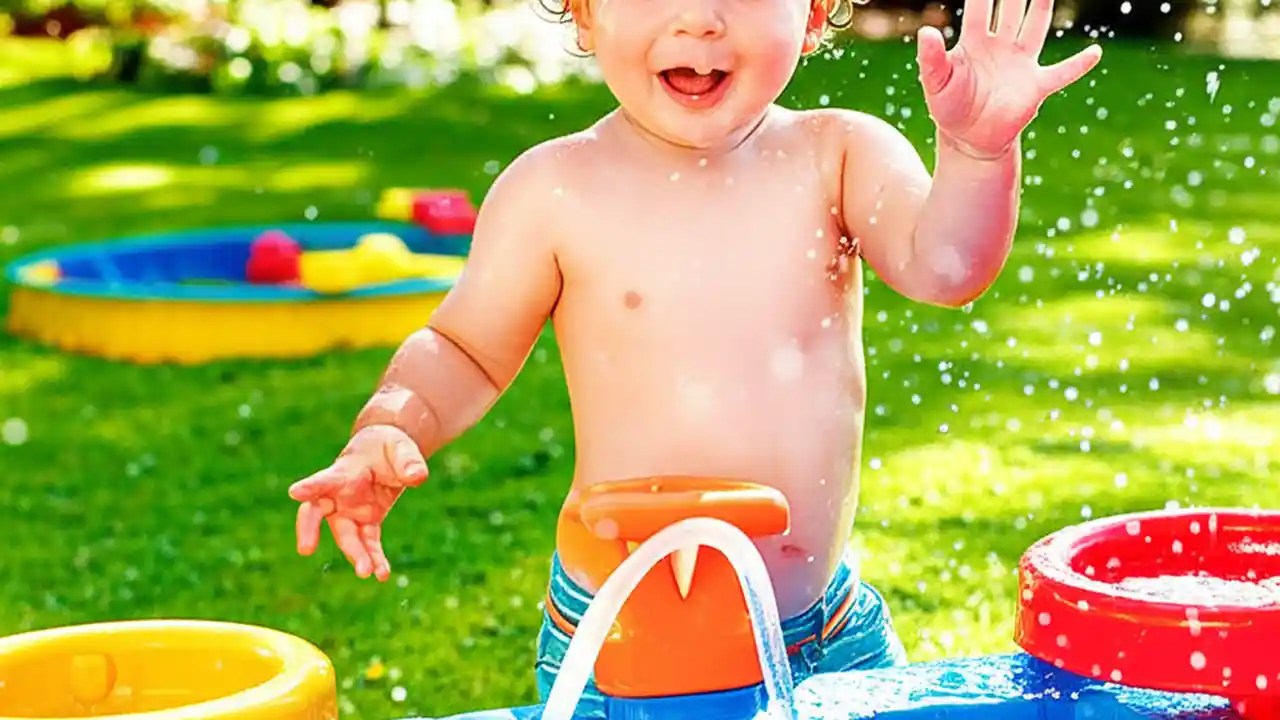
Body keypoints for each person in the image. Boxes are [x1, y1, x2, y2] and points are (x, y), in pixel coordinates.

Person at [288, 0, 1101, 713]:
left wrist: (978, 155)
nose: (700, 17)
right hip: (628, 635)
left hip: (823, 631)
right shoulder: (556, 191)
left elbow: (948, 267)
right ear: (583, 11)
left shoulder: (838, 156)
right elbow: (463, 348)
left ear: (814, 11)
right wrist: (390, 426)